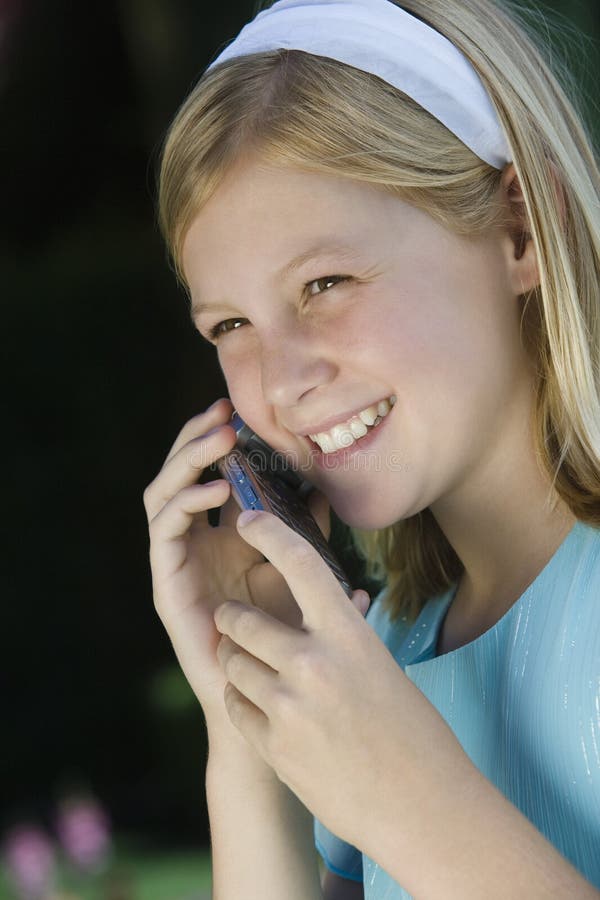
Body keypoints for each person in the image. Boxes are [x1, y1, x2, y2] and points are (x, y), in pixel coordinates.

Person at [142, 0, 600, 896]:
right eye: (230, 323)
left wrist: (405, 799)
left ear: (520, 228)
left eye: (326, 282)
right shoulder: (383, 647)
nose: (279, 382)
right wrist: (245, 718)